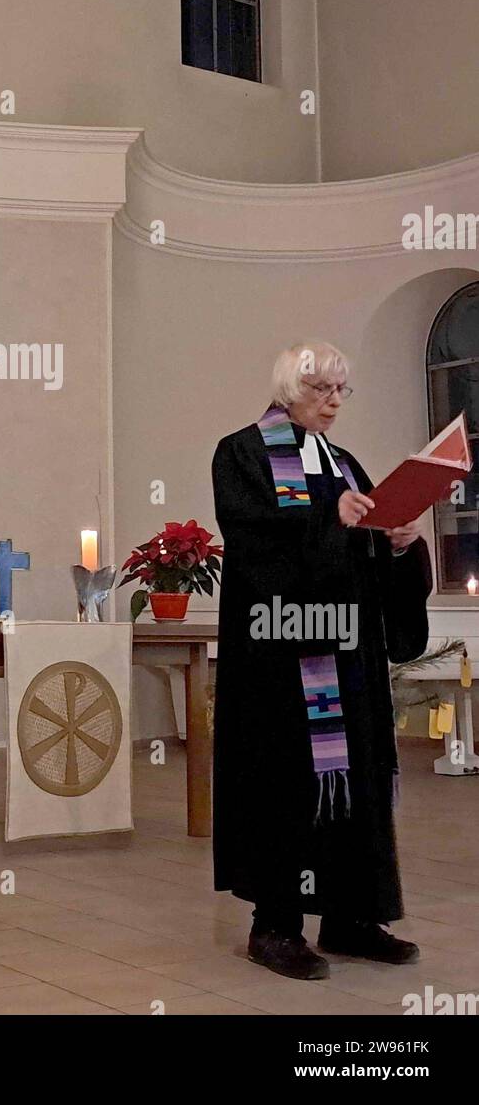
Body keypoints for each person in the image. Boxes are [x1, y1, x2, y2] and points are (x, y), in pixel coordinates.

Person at [211, 341, 431, 980]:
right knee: (286, 784)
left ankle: (352, 917)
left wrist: (395, 542)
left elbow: (360, 551)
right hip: (280, 657)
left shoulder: (347, 464)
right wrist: (324, 519)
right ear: (287, 389)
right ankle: (275, 926)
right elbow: (250, 540)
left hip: (348, 654)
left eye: (341, 391)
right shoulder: (243, 453)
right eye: (320, 390)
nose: (333, 402)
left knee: (355, 780)